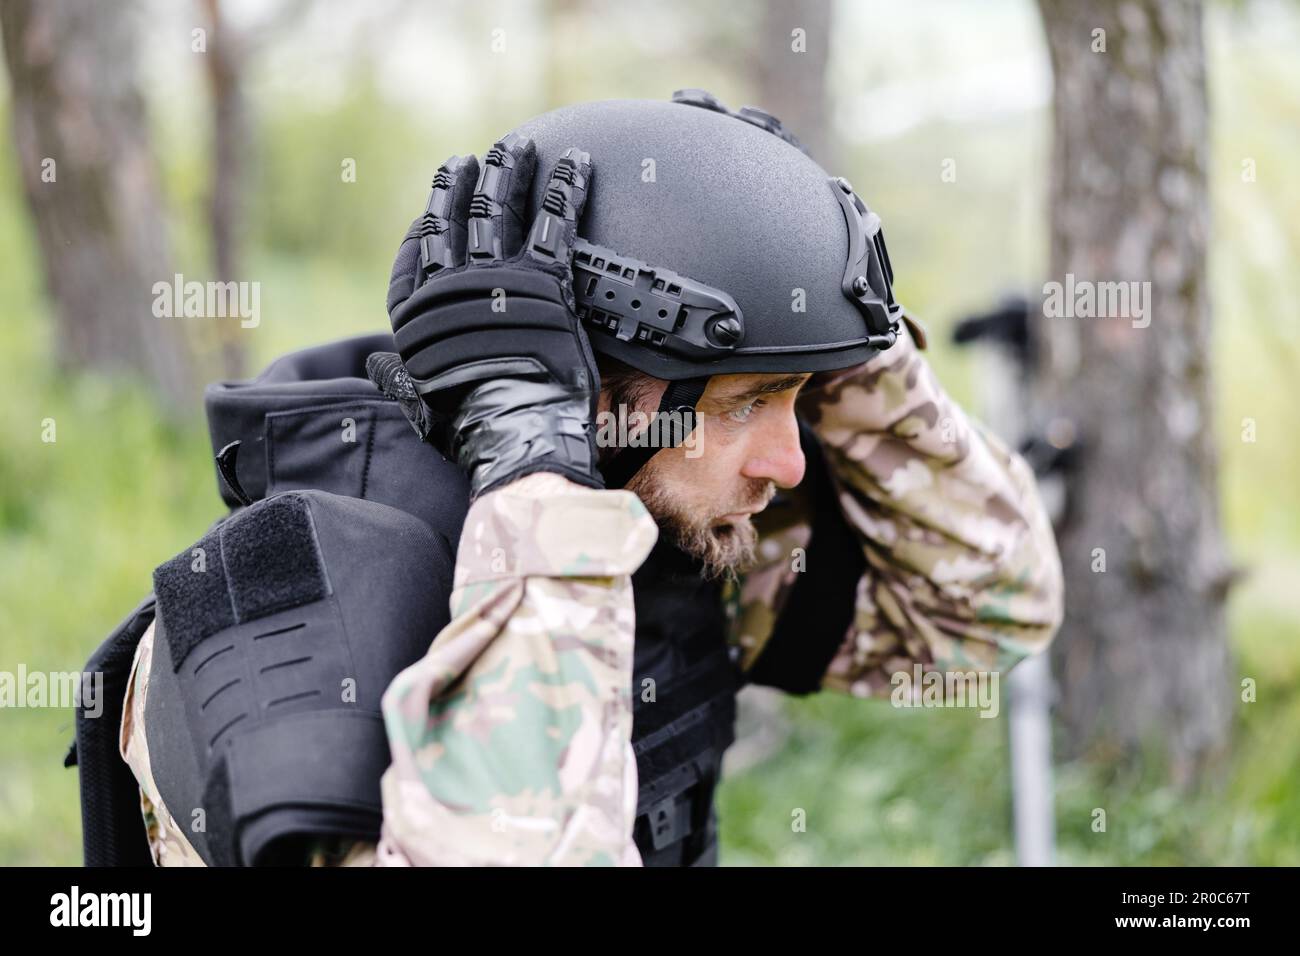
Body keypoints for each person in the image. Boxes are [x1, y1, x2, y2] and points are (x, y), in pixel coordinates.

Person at [75, 90, 1063, 867]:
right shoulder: (276, 603)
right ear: (588, 389)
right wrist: (538, 489)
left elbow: (990, 607)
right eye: (745, 402)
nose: (788, 459)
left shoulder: (657, 523)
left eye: (799, 398)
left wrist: (844, 322)